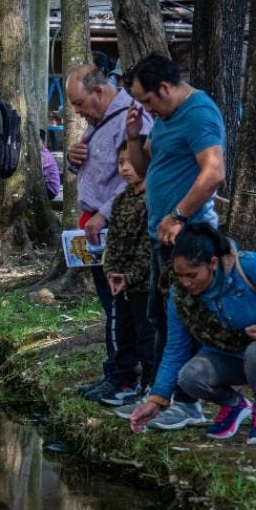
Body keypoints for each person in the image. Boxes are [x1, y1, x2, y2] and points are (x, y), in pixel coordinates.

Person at [119, 53, 226, 429]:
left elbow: (214, 172)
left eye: (147, 100)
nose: (147, 108)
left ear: (163, 88)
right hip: (159, 237)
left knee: (181, 320)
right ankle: (158, 396)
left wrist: (179, 214)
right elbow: (147, 168)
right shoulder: (163, 119)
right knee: (162, 319)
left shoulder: (199, 113)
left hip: (187, 238)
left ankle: (187, 402)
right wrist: (133, 139)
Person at [129, 223, 256, 446]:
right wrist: (156, 400)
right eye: (180, 275)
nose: (185, 282)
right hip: (227, 356)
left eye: (192, 275)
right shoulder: (180, 294)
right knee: (189, 376)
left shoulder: (249, 265)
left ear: (213, 263)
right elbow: (176, 348)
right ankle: (234, 404)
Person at [65, 63, 153, 404]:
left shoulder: (133, 120)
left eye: (80, 104)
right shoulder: (97, 122)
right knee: (112, 306)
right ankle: (116, 374)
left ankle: (126, 379)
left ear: (99, 92)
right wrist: (73, 158)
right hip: (96, 225)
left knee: (124, 308)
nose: (77, 112)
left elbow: (137, 176)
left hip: (120, 227)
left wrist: (104, 214)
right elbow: (90, 167)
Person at [102, 141, 155, 407]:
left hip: (143, 285)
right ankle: (124, 381)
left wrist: (130, 276)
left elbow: (148, 248)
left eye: (131, 162)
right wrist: (111, 271)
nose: (125, 168)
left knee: (146, 337)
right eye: (121, 162)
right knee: (123, 334)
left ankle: (148, 386)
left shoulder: (153, 199)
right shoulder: (122, 199)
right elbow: (110, 243)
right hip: (120, 283)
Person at [40, 131, 60, 201]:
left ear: (42, 142)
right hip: (48, 187)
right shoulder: (42, 152)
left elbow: (38, 171)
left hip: (51, 190)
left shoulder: (45, 155)